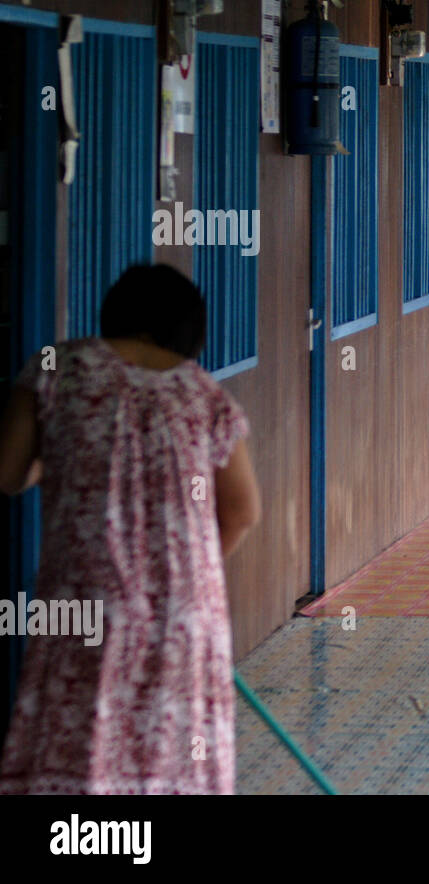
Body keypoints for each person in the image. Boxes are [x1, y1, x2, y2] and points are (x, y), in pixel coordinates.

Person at [0, 264, 261, 794]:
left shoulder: (56, 369)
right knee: (171, 745)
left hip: (87, 600)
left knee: (86, 739)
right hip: (185, 611)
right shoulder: (204, 394)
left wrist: (70, 454)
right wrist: (187, 582)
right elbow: (242, 512)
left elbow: (7, 473)